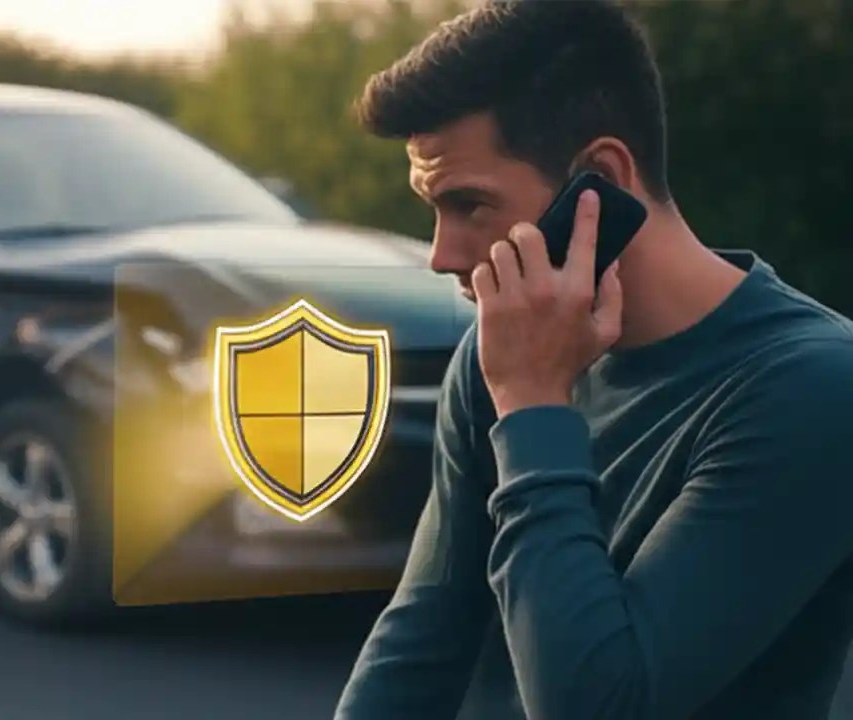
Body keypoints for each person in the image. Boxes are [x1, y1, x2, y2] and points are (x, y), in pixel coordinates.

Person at [333, 1, 853, 719]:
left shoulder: (814, 388)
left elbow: (599, 704)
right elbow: (420, 642)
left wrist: (534, 407)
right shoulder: (500, 359)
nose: (441, 255)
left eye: (469, 206)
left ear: (600, 181)